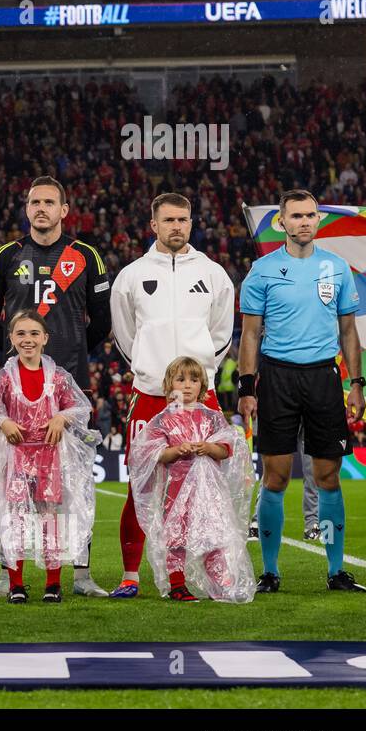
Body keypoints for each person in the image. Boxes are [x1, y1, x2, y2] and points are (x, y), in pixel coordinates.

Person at [0, 176, 112, 597]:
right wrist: (16, 357)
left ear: (64, 209)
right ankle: (7, 574)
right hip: (17, 391)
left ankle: (82, 574)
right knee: (10, 487)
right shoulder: (6, 255)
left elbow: (102, 322)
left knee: (74, 486)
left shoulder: (86, 255)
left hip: (67, 391)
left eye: (49, 202)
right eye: (35, 201)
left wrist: (68, 362)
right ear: (26, 207)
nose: (41, 209)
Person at [238, 190, 366, 594]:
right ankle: (271, 572)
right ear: (282, 222)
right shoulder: (261, 270)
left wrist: (356, 384)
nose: (305, 222)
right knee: (275, 477)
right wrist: (246, 387)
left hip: (323, 379)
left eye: (311, 215)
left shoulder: (336, 268)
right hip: (277, 378)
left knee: (328, 476)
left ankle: (335, 571)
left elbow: (349, 330)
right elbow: (250, 334)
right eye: (296, 216)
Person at [107, 193, 235, 597]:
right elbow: (126, 335)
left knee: (208, 488)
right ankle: (130, 576)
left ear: (191, 223)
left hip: (202, 398)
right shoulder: (131, 275)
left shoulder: (213, 273)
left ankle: (214, 572)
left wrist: (195, 378)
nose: (177, 226)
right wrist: (150, 369)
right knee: (140, 485)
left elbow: (222, 334)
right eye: (169, 220)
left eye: (183, 219)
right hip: (149, 395)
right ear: (154, 225)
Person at [0, 310, 101, 604]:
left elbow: (80, 408)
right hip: (15, 458)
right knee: (15, 521)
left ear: (45, 338)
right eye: (21, 334)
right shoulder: (4, 377)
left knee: (49, 521)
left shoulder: (58, 376)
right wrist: (2, 422)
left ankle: (52, 584)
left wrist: (62, 419)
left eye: (33, 334)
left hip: (49, 458)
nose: (27, 339)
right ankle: (16, 584)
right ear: (11, 339)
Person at [128, 357, 255, 602]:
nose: (187, 385)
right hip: (176, 490)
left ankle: (221, 583)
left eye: (194, 380)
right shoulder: (162, 420)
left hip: (209, 492)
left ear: (202, 385)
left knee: (213, 535)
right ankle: (177, 584)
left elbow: (226, 449)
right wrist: (176, 451)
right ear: (168, 385)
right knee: (176, 536)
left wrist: (208, 447)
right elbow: (153, 453)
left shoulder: (212, 417)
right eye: (181, 379)